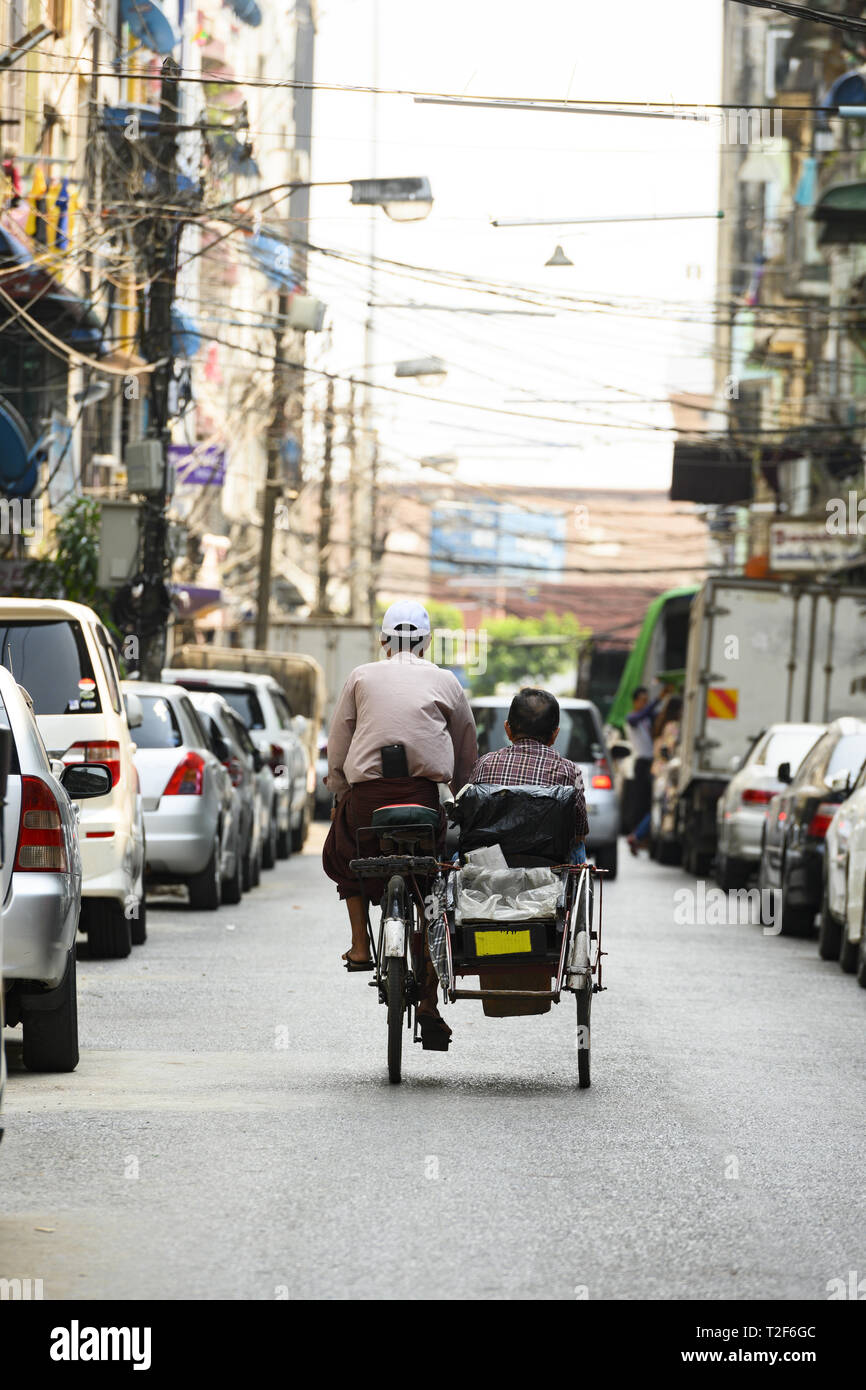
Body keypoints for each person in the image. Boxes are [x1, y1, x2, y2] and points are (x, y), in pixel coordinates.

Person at [322, 600, 477, 1042]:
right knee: (431, 888)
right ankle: (428, 1000)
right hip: (423, 800)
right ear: (427, 643)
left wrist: (339, 789)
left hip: (367, 801)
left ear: (383, 641)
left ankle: (359, 944)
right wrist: (463, 791)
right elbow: (466, 747)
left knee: (344, 853)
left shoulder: (361, 676)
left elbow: (340, 742)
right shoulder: (446, 681)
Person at [469, 687, 589, 857]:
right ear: (555, 735)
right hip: (549, 866)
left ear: (507, 729)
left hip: (489, 863)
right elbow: (580, 832)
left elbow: (470, 821)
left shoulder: (484, 764)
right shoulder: (568, 771)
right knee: (578, 847)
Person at [627, 695, 682, 855]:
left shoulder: (659, 723)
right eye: (642, 700)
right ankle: (637, 836)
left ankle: (640, 837)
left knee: (654, 807)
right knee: (658, 808)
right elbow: (670, 750)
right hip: (662, 772)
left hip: (655, 770)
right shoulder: (672, 726)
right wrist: (661, 696)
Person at [626, 683, 673, 837]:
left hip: (651, 763)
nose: (644, 703)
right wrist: (658, 698)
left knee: (649, 800)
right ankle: (635, 832)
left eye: (647, 700)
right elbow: (644, 713)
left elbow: (659, 716)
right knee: (639, 800)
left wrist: (666, 699)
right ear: (635, 702)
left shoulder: (647, 719)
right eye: (642, 700)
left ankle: (642, 834)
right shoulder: (632, 718)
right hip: (641, 762)